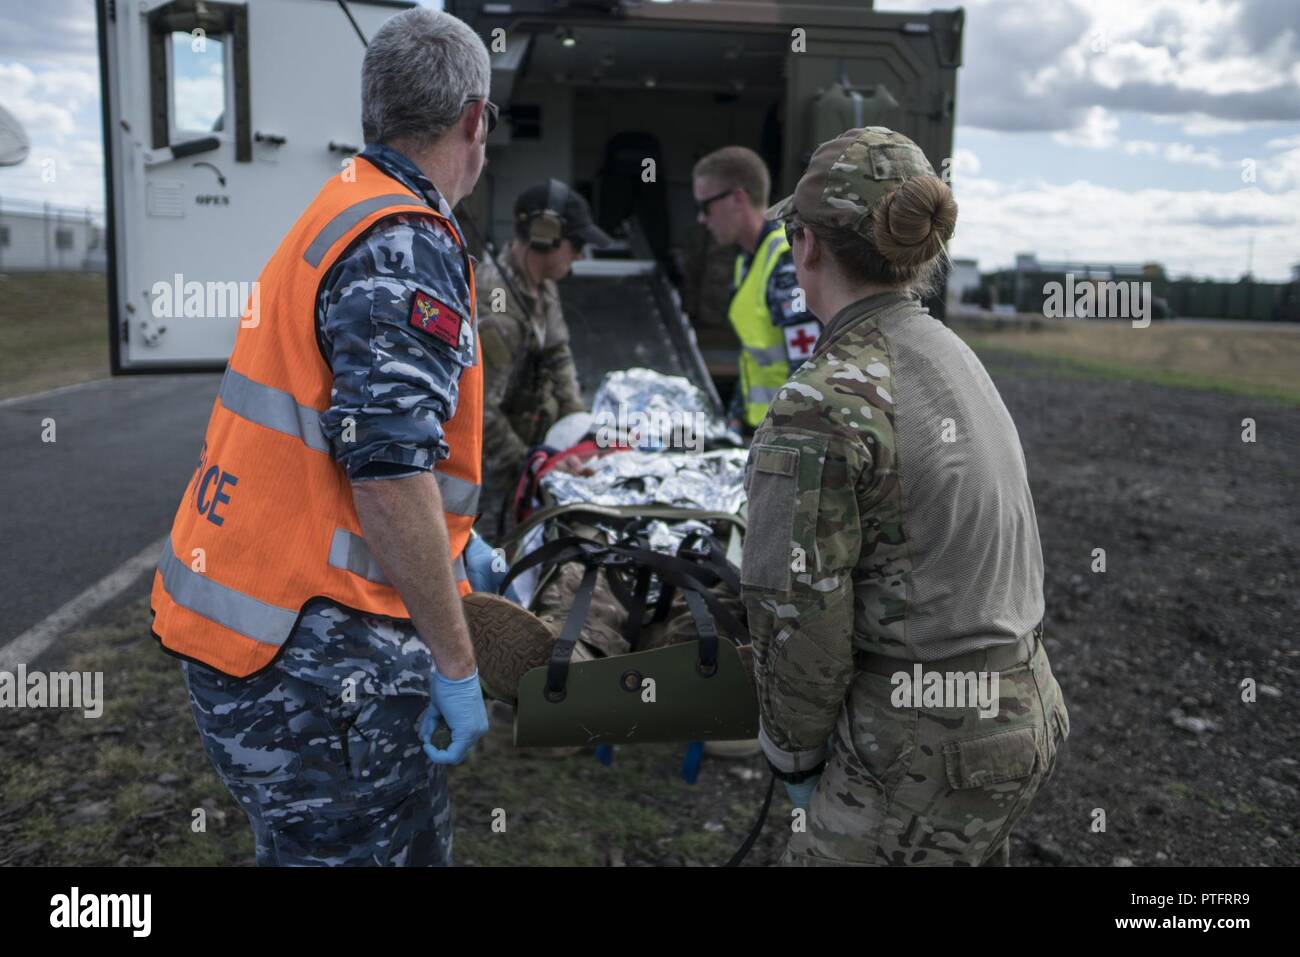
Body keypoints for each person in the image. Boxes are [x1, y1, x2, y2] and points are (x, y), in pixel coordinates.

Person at [150, 8, 495, 866]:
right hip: (315, 661)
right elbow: (386, 470)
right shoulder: (405, 239)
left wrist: (456, 546)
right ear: (474, 121)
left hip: (255, 630)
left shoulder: (343, 207)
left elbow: (354, 436)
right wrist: (455, 661)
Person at [741, 127, 1070, 866]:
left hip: (926, 741)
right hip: (1019, 709)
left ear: (809, 247)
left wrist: (792, 756)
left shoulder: (824, 398)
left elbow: (796, 614)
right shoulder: (950, 353)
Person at [473, 180, 612, 539]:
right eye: (576, 244)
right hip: (495, 476)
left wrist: (580, 440)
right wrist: (536, 465)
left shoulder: (542, 285)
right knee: (497, 565)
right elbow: (480, 413)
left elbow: (558, 357)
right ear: (544, 235)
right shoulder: (498, 307)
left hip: (532, 460)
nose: (580, 255)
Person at [692, 146, 819, 436]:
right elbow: (752, 355)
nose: (701, 219)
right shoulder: (745, 261)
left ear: (737, 198)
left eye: (705, 206)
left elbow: (807, 367)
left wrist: (777, 439)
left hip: (786, 433)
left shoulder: (785, 262)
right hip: (758, 429)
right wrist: (736, 419)